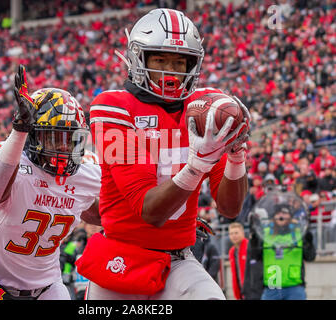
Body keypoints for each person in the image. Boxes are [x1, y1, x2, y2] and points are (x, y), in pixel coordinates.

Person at [77, 8, 251, 300]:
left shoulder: (203, 109)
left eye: (179, 61)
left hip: (178, 259)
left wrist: (235, 156)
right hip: (122, 259)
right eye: (160, 59)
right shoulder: (114, 107)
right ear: (138, 58)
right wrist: (198, 164)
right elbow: (150, 212)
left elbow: (230, 209)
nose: (171, 71)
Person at [0, 65, 101, 300]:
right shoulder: (7, 161)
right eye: (54, 138)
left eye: (70, 138)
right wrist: (18, 131)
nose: (64, 147)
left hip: (49, 287)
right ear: (33, 135)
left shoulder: (86, 172)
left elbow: (100, 213)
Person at [250, 199, 316, 300]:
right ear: (273, 216)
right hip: (271, 288)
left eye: (285, 213)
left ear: (290, 216)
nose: (281, 216)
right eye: (278, 213)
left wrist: (309, 240)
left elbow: (310, 257)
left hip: (295, 288)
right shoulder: (264, 234)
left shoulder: (300, 233)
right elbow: (255, 256)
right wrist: (254, 238)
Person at [227, 222, 248, 300]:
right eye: (231, 233)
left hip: (252, 292)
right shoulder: (232, 251)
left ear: (243, 233)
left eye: (236, 233)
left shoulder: (249, 247)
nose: (234, 236)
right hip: (240, 293)